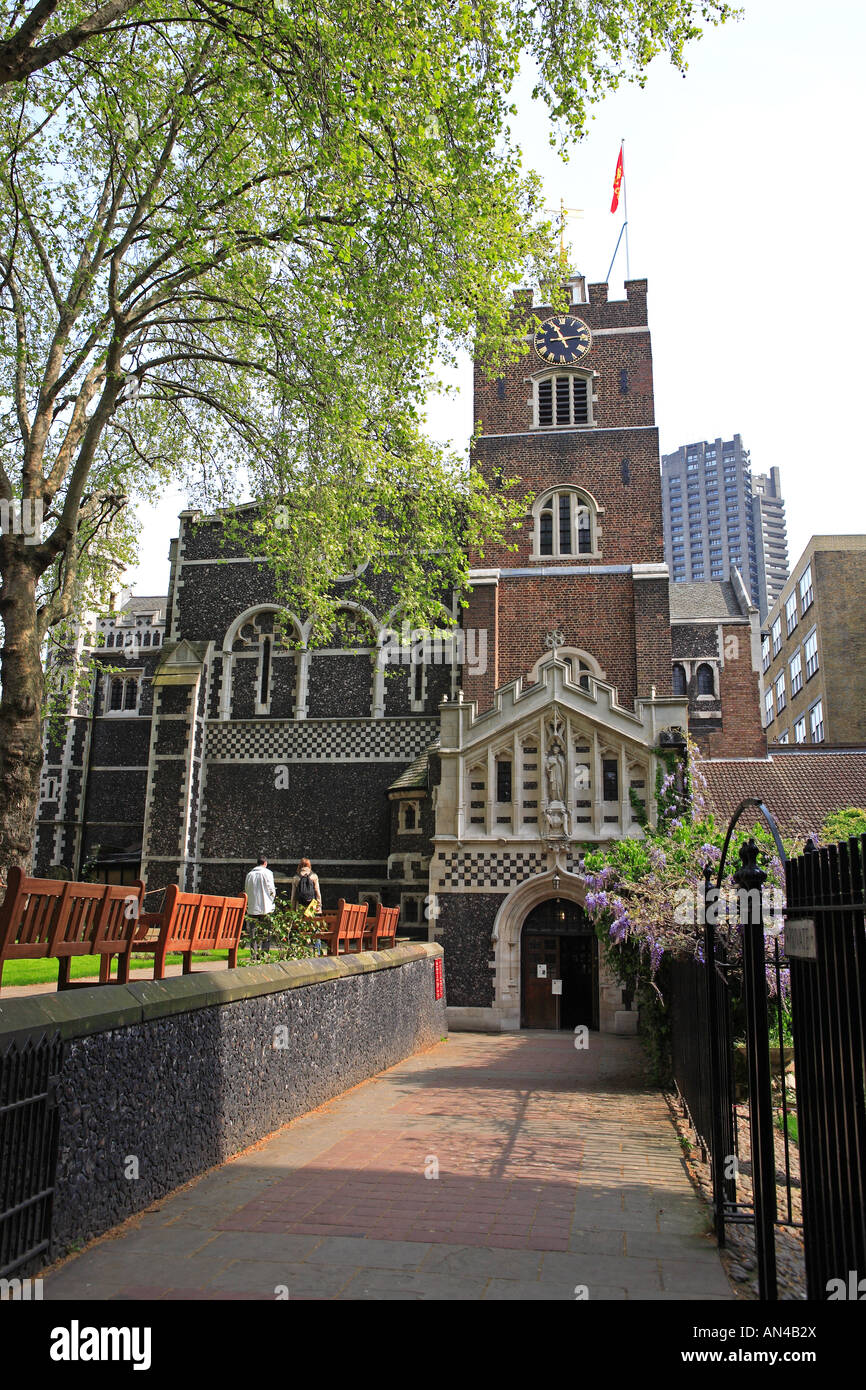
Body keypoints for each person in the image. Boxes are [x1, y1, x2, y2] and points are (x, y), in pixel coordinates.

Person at [244, 854, 276, 961]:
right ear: (265, 863)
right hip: (266, 907)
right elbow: (272, 890)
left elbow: (247, 889)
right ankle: (264, 954)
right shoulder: (268, 873)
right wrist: (270, 902)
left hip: (253, 907)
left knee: (253, 932)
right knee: (266, 932)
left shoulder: (249, 875)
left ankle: (253, 954)